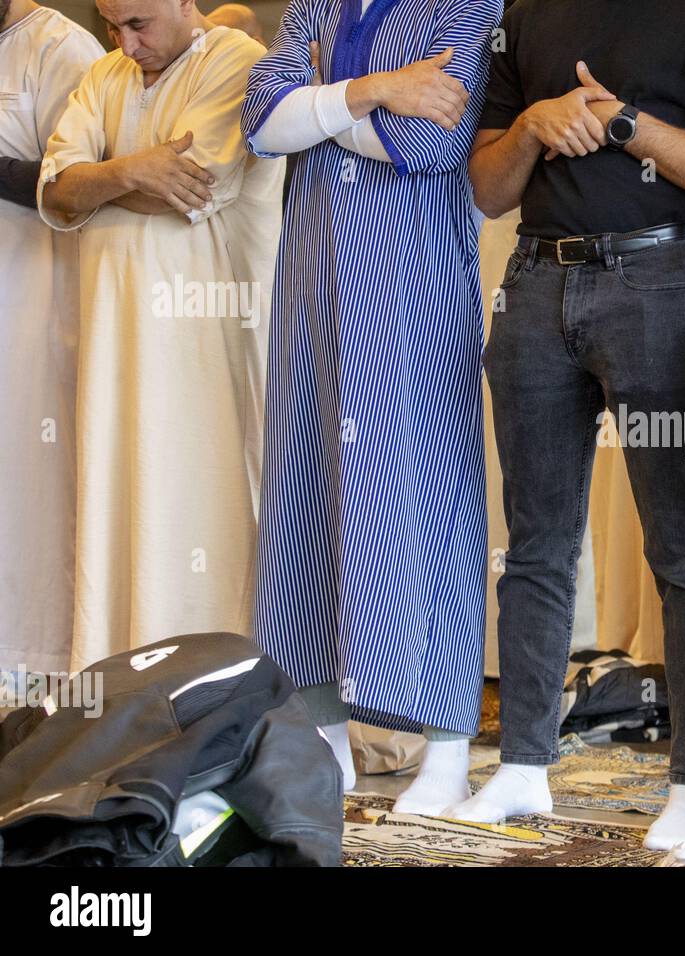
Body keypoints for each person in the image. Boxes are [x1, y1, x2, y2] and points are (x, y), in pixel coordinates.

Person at [457, 0, 685, 851]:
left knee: (682, 544)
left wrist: (626, 124)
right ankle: (524, 765)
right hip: (535, 283)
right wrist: (532, 123)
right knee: (534, 544)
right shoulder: (525, 16)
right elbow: (487, 188)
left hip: (661, 282)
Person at [242, 0, 501, 808]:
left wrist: (321, 99)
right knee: (303, 490)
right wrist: (378, 89)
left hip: (411, 280)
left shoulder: (470, 5)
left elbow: (429, 143)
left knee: (425, 496)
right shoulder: (311, 4)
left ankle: (448, 748)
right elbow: (258, 123)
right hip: (313, 279)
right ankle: (325, 743)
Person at [37, 0, 282, 670]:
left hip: (207, 347)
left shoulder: (239, 62)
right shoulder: (107, 74)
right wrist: (128, 171)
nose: (124, 41)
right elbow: (56, 191)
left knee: (204, 504)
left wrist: (100, 178)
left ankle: (218, 702)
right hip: (114, 347)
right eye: (111, 25)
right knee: (121, 503)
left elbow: (191, 185)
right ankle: (122, 702)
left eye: (138, 23)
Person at [0, 0, 103, 677]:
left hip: (31, 317)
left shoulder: (60, 50)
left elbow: (78, 186)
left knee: (27, 501)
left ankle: (32, 684)